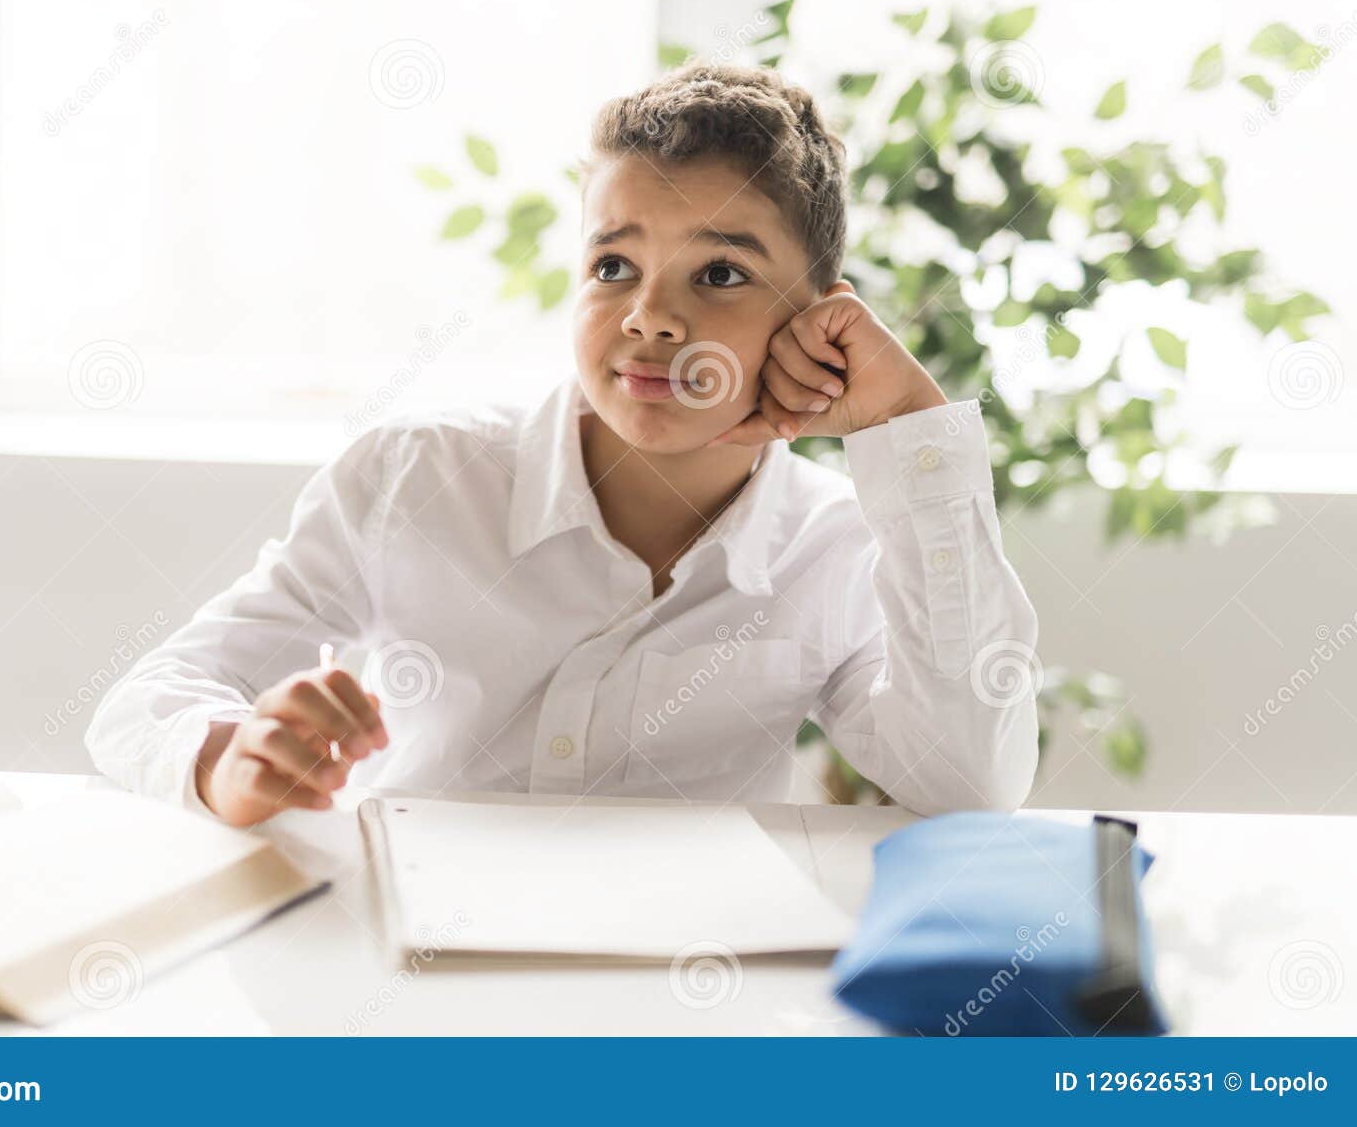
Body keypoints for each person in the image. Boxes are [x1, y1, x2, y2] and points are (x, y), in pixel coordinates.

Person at [85, 62, 1040, 826]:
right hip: (409, 980)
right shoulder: (414, 474)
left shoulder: (837, 546)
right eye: (613, 264)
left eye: (719, 272)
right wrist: (229, 757)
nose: (652, 317)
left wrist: (912, 429)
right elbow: (144, 701)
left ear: (820, 319)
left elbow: (967, 781)